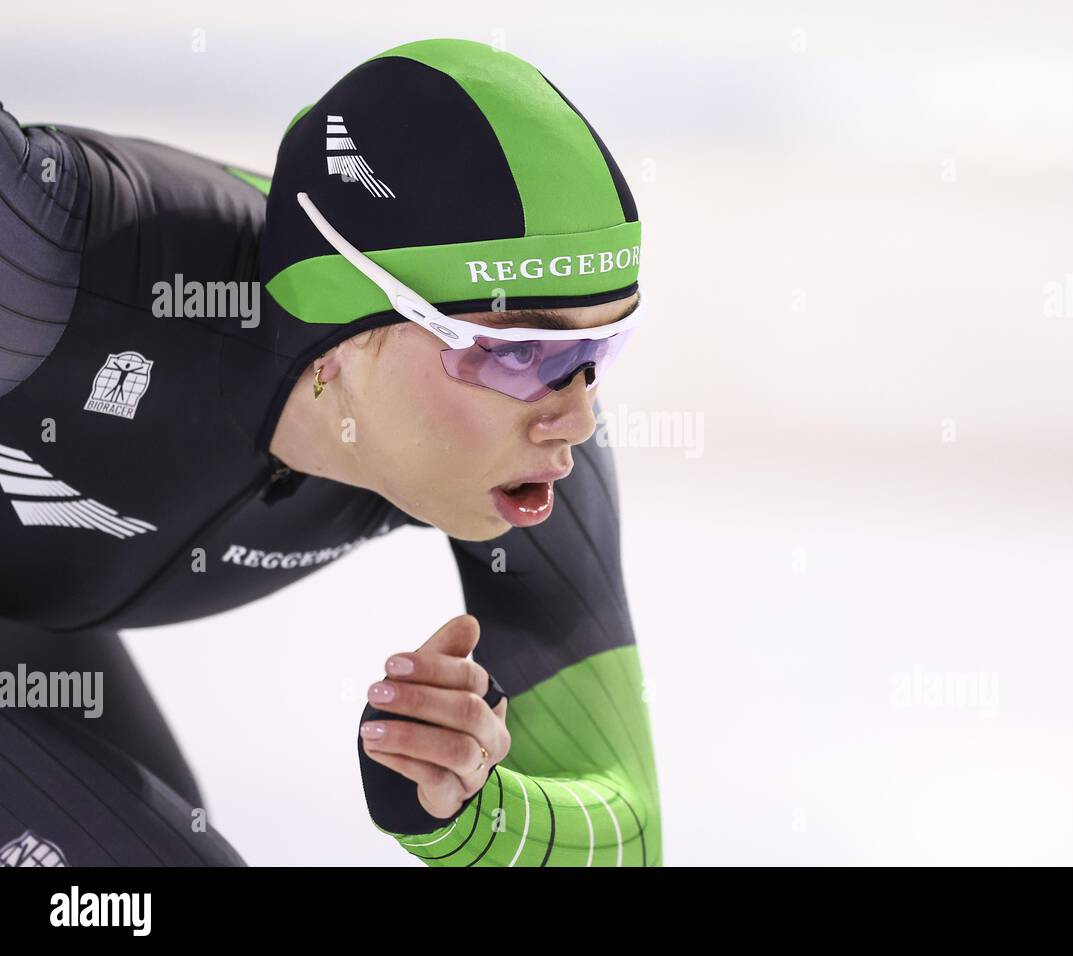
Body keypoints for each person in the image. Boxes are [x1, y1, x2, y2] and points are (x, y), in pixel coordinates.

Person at [0, 37, 661, 867]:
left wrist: (463, 809)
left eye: (599, 352)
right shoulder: (62, 261)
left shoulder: (532, 460)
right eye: (517, 351)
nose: (576, 417)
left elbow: (626, 834)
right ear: (343, 331)